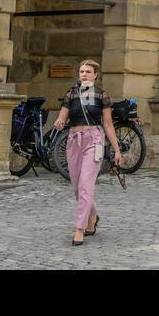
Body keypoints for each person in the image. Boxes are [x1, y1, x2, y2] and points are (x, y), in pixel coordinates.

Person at [51, 59, 122, 247]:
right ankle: (93, 216)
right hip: (74, 140)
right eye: (81, 71)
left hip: (94, 139)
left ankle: (79, 229)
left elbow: (107, 124)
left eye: (88, 71)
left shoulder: (101, 95)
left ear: (95, 74)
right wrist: (58, 122)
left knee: (85, 185)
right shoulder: (71, 94)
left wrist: (116, 149)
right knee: (77, 187)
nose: (84, 74)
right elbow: (62, 117)